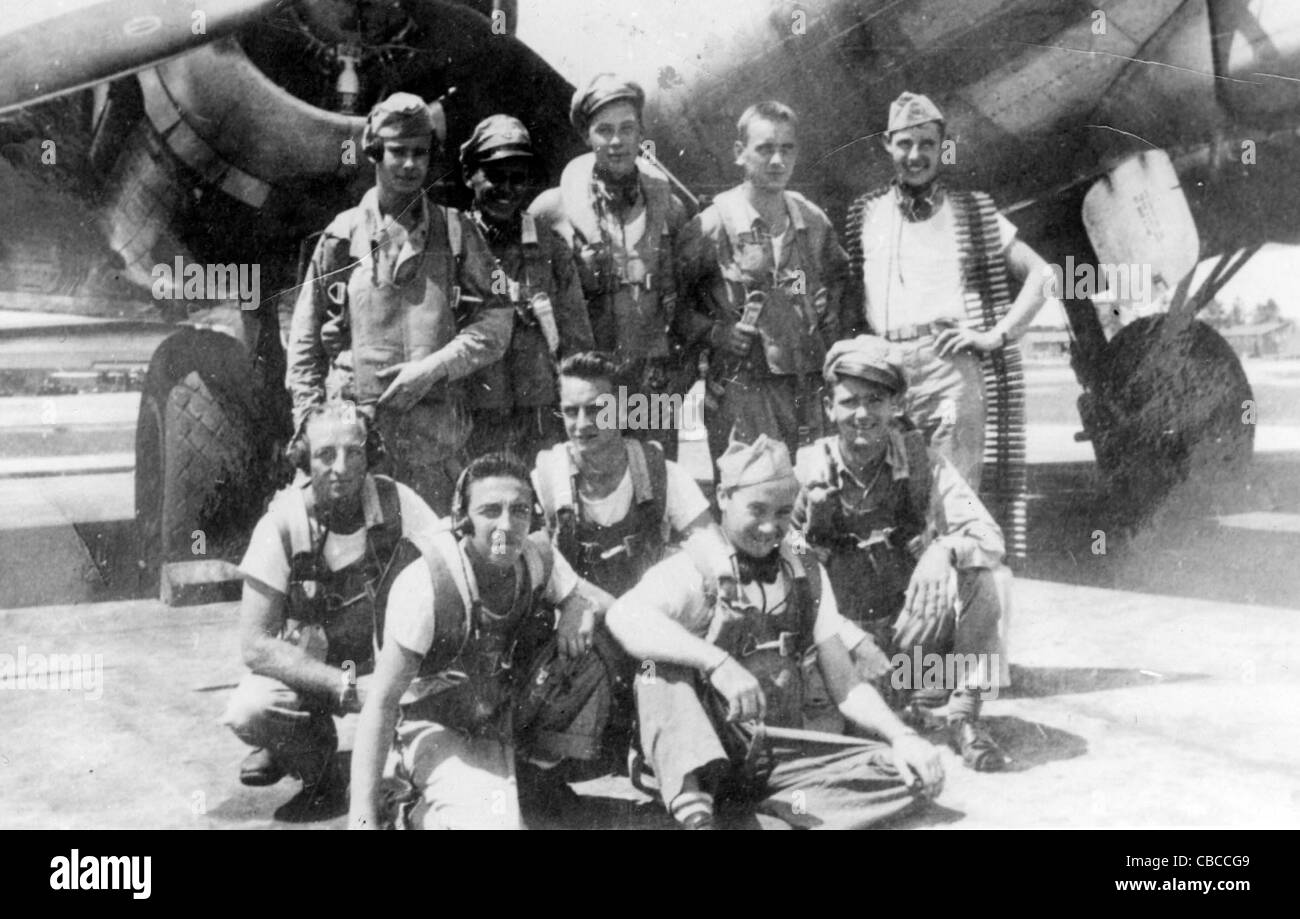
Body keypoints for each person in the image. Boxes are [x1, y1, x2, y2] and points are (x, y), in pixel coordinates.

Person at [604, 435, 944, 829]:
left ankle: (773, 819)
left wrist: (902, 737)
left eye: (783, 512)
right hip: (704, 750)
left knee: (907, 774)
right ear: (723, 498)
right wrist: (717, 662)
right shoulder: (693, 567)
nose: (770, 527)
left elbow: (846, 683)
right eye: (757, 509)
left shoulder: (804, 571)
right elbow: (623, 617)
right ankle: (693, 804)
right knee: (654, 667)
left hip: (776, 755)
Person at [348, 453, 609, 830]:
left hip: (502, 714)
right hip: (434, 724)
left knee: (602, 648)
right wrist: (361, 818)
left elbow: (597, 601)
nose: (507, 525)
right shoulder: (428, 582)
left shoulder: (535, 556)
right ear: (463, 519)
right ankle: (410, 805)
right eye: (490, 510)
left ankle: (524, 778)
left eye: (519, 510)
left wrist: (576, 604)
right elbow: (382, 703)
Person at [287, 92, 512, 514]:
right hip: (356, 457)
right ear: (374, 153)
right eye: (397, 152)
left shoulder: (458, 231)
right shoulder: (341, 237)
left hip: (437, 452)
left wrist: (435, 368)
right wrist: (307, 424)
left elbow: (498, 319)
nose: (410, 165)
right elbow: (303, 342)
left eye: (420, 153)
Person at [793, 335, 1008, 771]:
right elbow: (786, 570)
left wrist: (943, 549)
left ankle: (963, 716)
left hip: (910, 644)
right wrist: (851, 641)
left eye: (876, 401)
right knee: (827, 740)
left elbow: (990, 538)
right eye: (849, 401)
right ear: (828, 406)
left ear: (896, 406)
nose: (862, 415)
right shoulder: (806, 469)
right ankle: (898, 712)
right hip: (842, 649)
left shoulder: (925, 464)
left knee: (983, 581)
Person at [221, 401, 442, 819]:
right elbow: (255, 645)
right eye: (326, 454)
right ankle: (320, 767)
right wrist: (344, 686)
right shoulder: (281, 524)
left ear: (369, 454)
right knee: (250, 709)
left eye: (353, 452)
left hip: (389, 662)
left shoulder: (398, 502)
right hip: (316, 669)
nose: (340, 466)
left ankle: (393, 762)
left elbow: (450, 564)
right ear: (304, 458)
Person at [844, 91, 1052, 489]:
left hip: (948, 369)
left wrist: (996, 335)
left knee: (953, 494)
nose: (916, 154)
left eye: (927, 144)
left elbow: (1044, 275)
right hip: (884, 371)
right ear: (888, 145)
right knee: (886, 494)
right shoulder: (865, 213)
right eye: (905, 143)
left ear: (944, 149)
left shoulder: (971, 210)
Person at [678, 101, 850, 465]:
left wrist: (828, 306)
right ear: (740, 154)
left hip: (808, 386)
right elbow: (671, 306)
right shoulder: (712, 225)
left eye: (787, 149)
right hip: (743, 390)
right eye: (765, 149)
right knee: (752, 494)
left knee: (813, 487)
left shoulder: (811, 220)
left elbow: (841, 277)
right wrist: (715, 333)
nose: (777, 161)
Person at [529, 74, 690, 458]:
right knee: (590, 472)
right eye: (604, 131)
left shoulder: (670, 208)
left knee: (656, 467)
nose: (616, 142)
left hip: (651, 378)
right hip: (588, 379)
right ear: (587, 137)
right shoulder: (551, 210)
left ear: (641, 134)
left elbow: (688, 294)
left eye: (627, 129)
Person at [460, 114, 595, 466]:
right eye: (494, 175)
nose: (507, 188)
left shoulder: (551, 249)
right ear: (468, 176)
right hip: (471, 421)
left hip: (540, 419)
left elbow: (577, 339)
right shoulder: (450, 246)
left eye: (518, 178)